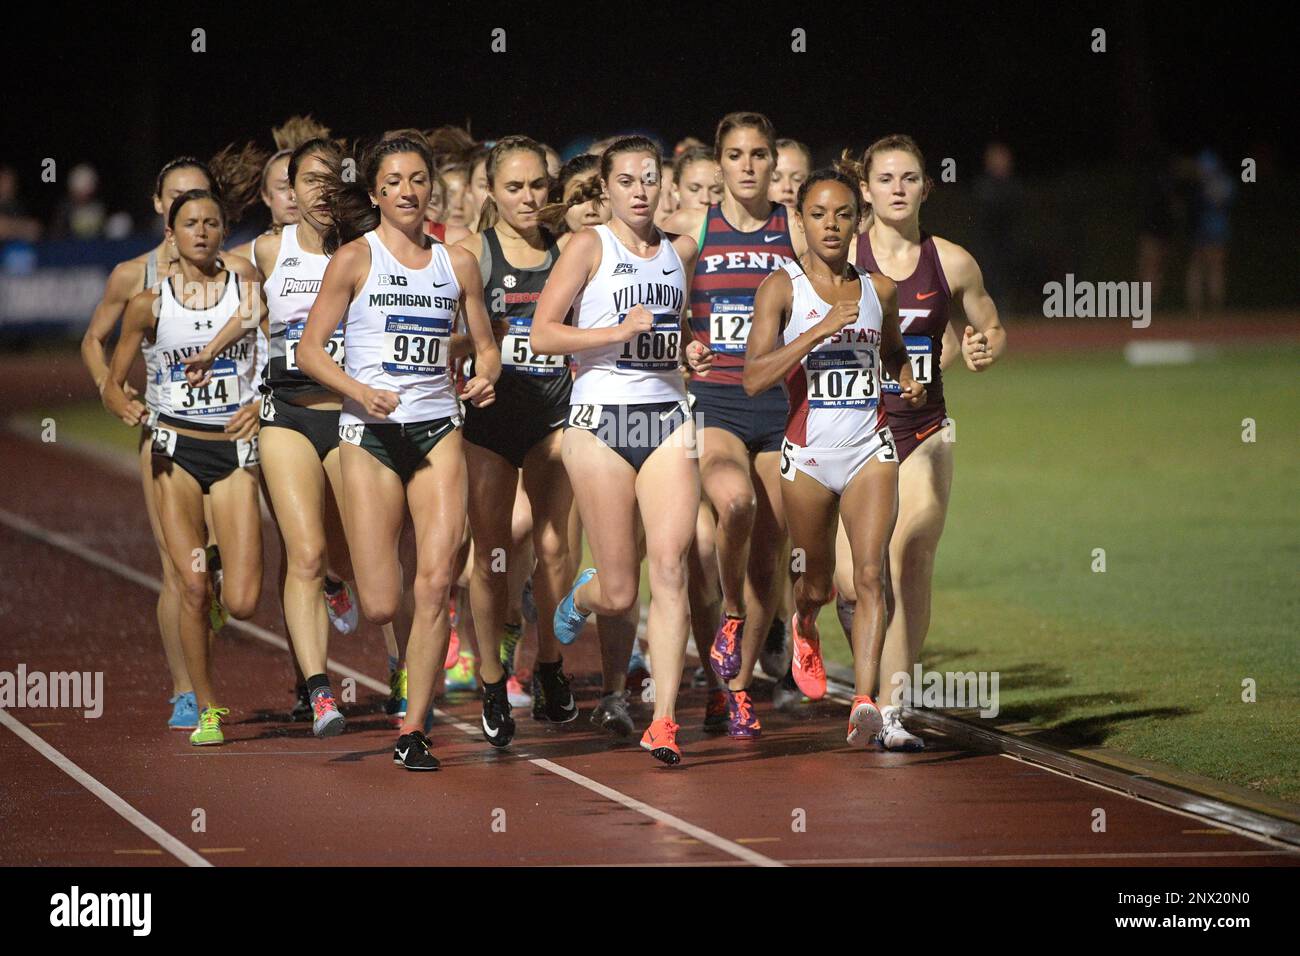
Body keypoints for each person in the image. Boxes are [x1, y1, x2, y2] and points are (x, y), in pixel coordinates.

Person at [295, 135, 500, 770]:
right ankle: (338, 578)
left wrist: (485, 371)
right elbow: (309, 350)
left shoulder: (458, 263)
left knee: (436, 582)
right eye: (395, 181)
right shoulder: (355, 260)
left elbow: (486, 343)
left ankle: (414, 730)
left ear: (430, 189)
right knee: (384, 601)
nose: (408, 192)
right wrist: (359, 390)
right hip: (371, 437)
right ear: (377, 192)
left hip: (439, 429)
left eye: (418, 180)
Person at [531, 136, 712, 765]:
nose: (640, 190)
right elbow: (543, 332)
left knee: (670, 564)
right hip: (600, 423)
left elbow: (672, 327)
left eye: (650, 178)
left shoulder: (675, 254)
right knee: (619, 591)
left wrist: (687, 348)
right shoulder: (589, 245)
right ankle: (583, 594)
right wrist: (617, 331)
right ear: (605, 189)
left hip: (666, 418)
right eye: (627, 180)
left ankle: (662, 720)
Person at [742, 167, 925, 747]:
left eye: (842, 215)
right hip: (808, 456)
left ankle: (867, 701)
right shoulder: (781, 288)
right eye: (818, 214)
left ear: (859, 222)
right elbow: (753, 377)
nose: (830, 225)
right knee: (816, 582)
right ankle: (803, 623)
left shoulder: (880, 290)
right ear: (800, 220)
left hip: (871, 447)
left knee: (871, 574)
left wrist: (907, 380)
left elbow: (893, 350)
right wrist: (816, 332)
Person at [833, 135, 1005, 749]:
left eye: (909, 178)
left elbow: (986, 327)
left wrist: (983, 348)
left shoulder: (951, 262)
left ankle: (891, 708)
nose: (898, 189)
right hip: (850, 434)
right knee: (855, 580)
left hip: (925, 429)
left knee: (913, 550)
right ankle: (862, 646)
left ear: (925, 187)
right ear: (866, 190)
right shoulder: (837, 258)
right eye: (886, 179)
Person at [81, 153, 260, 730]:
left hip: (231, 442)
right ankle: (191, 693)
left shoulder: (239, 274)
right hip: (169, 441)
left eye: (205, 207)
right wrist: (115, 397)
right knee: (179, 574)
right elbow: (99, 347)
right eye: (183, 207)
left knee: (238, 594)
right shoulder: (137, 281)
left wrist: (261, 399)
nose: (198, 224)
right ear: (163, 212)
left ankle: (213, 580)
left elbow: (270, 338)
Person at [661, 111, 802, 738]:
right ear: (718, 164)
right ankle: (734, 615)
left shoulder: (794, 229)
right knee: (733, 504)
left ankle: (737, 687)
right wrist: (684, 339)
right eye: (736, 156)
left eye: (759, 155)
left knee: (771, 551)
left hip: (781, 406)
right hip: (715, 404)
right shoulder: (696, 226)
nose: (748, 167)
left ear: (775, 164)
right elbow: (644, 275)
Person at [456, 135, 580, 730]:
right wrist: (480, 357)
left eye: (537, 185)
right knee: (493, 558)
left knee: (554, 549)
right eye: (514, 187)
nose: (529, 198)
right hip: (491, 422)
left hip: (554, 415)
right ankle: (491, 682)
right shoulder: (469, 255)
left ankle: (550, 664)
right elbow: (443, 340)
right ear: (490, 191)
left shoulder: (573, 251)